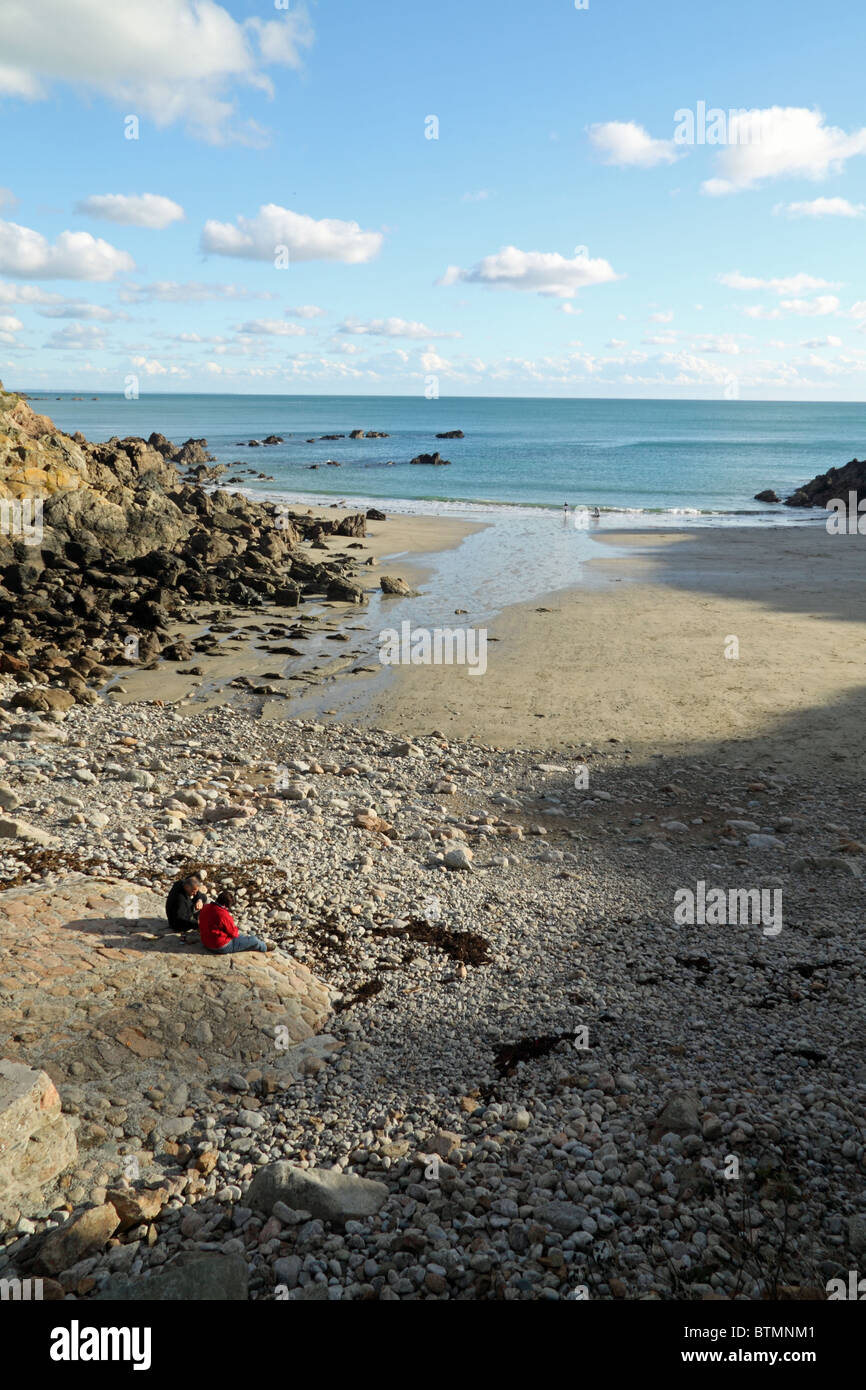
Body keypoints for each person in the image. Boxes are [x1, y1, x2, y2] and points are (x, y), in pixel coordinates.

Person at [198, 890, 270, 955]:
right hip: (219, 946)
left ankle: (262, 945)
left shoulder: (206, 907)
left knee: (243, 937)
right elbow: (234, 933)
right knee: (254, 940)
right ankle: (265, 948)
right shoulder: (223, 914)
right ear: (225, 905)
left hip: (206, 942)